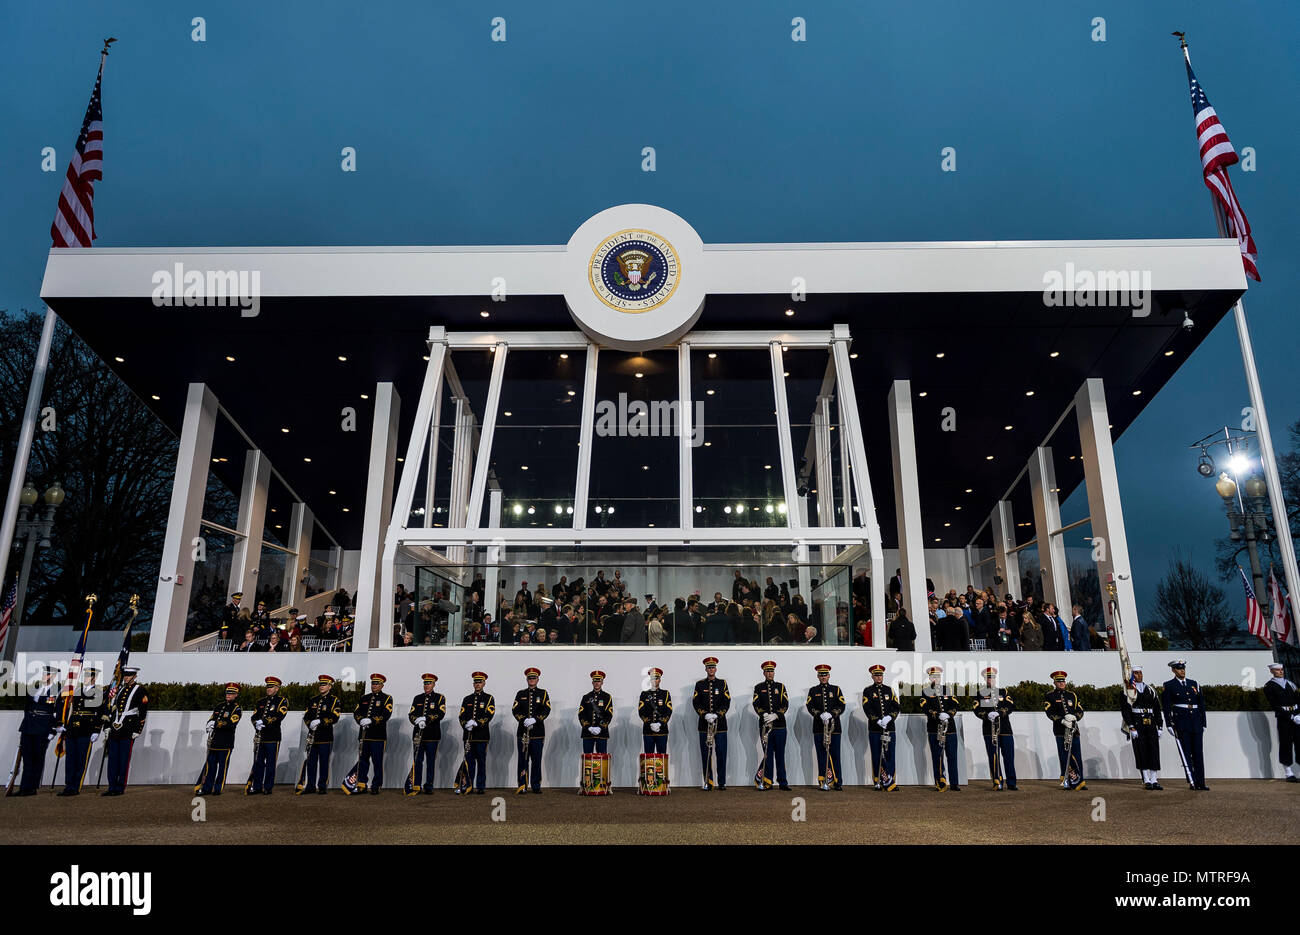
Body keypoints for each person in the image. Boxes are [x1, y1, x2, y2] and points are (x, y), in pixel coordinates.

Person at [13, 665, 60, 796]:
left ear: (54, 676)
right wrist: (26, 722)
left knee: (37, 758)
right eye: (44, 673)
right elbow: (27, 707)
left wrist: (53, 730)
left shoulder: (57, 691)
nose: (45, 676)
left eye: (48, 674)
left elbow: (58, 712)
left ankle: (32, 787)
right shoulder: (35, 688)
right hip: (29, 726)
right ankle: (24, 787)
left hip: (43, 727)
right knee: (26, 758)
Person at [1161, 659, 1208, 791]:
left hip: (1196, 722)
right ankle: (1192, 780)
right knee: (1186, 752)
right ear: (1173, 670)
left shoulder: (1194, 684)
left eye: (1183, 668)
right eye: (1179, 669)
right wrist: (1169, 724)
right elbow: (1166, 707)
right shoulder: (1169, 685)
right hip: (1181, 722)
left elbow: (1201, 705)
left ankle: (1201, 782)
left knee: (1198, 753)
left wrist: (1203, 722)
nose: (1182, 671)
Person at [57, 665, 103, 796]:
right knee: (70, 759)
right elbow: (69, 708)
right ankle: (68, 785)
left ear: (94, 678)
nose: (86, 678)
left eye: (89, 676)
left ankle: (76, 786)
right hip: (73, 729)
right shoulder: (77, 691)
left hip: (86, 729)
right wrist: (64, 724)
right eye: (85, 675)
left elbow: (99, 713)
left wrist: (96, 730)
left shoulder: (98, 693)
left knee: (81, 759)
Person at [102, 666, 148, 796]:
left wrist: (138, 729)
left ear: (135, 676)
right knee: (112, 759)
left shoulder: (140, 690)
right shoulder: (119, 689)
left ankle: (120, 787)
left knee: (123, 760)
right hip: (115, 729)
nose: (126, 678)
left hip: (128, 729)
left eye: (129, 675)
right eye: (125, 675)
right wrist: (107, 726)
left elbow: (143, 711)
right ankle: (111, 786)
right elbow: (112, 708)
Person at [972, 666, 1017, 791]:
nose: (991, 679)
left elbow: (1011, 706)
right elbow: (976, 710)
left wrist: (1001, 713)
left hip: (1005, 729)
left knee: (1009, 756)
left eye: (992, 677)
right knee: (993, 756)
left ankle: (1012, 782)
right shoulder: (980, 694)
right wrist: (987, 715)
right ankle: (998, 781)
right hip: (989, 729)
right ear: (984, 679)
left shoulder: (1003, 692)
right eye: (988, 677)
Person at [1121, 665, 1163, 789]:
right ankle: (1146, 779)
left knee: (1154, 751)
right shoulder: (1127, 691)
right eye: (1136, 674)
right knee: (1141, 751)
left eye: (1140, 673)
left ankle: (1154, 779)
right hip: (1138, 723)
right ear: (1132, 676)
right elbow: (1126, 710)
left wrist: (1160, 726)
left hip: (1150, 723)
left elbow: (1157, 709)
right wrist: (1131, 727)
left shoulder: (1150, 690)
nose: (1139, 675)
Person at [919, 665, 961, 791]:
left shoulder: (947, 689)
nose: (935, 678)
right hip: (934, 728)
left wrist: (949, 714)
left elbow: (955, 703)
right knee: (937, 756)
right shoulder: (925, 691)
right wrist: (937, 715)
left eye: (937, 676)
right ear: (929, 678)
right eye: (933, 676)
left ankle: (954, 783)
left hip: (950, 728)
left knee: (952, 755)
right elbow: (924, 707)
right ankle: (940, 781)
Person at [351, 674, 394, 795]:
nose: (374, 686)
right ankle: (361, 784)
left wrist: (371, 720)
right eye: (373, 683)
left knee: (377, 762)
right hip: (364, 735)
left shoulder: (387, 698)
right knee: (363, 761)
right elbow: (357, 712)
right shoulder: (364, 698)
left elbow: (386, 714)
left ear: (382, 685)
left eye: (376, 684)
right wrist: (360, 720)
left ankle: (376, 785)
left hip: (378, 736)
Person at [805, 664, 846, 791]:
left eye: (825, 675)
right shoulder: (813, 690)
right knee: (821, 755)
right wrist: (818, 714)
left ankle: (837, 781)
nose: (823, 677)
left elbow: (842, 705)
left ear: (829, 676)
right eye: (821, 675)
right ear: (818, 676)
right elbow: (809, 705)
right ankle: (823, 781)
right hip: (819, 727)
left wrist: (832, 713)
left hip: (834, 728)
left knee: (835, 755)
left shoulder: (836, 689)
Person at [197, 682, 241, 796]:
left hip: (226, 743)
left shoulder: (236, 709)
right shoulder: (219, 706)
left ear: (236, 694)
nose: (228, 695)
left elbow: (231, 723)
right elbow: (212, 718)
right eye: (227, 692)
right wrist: (208, 724)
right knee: (210, 766)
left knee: (222, 767)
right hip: (214, 742)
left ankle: (218, 788)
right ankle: (207, 788)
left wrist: (215, 724)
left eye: (231, 693)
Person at [693, 657, 730, 790]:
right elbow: (696, 703)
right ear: (705, 669)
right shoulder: (700, 685)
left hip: (720, 725)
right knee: (706, 754)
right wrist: (705, 714)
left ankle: (722, 782)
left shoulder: (722, 683)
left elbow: (727, 702)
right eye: (709, 667)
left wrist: (718, 714)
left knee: (721, 753)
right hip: (704, 725)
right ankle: (708, 782)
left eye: (713, 667)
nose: (711, 669)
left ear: (716, 669)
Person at [1045, 670, 1086, 790]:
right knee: (1064, 756)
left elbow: (1080, 709)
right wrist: (1062, 720)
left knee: (1077, 756)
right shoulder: (1050, 696)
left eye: (1063, 681)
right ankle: (1067, 780)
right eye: (1059, 681)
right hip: (1060, 730)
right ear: (1054, 682)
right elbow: (1049, 712)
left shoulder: (1072, 695)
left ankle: (1079, 781)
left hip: (1074, 730)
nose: (1061, 683)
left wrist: (1075, 717)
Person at [862, 664, 900, 791]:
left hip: (889, 728)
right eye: (876, 675)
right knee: (877, 754)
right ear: (872, 676)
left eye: (880, 675)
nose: (879, 677)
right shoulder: (867, 691)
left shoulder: (889, 690)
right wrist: (877, 720)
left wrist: (890, 717)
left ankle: (890, 780)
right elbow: (867, 708)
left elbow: (896, 706)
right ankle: (878, 780)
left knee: (890, 754)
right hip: (875, 728)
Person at [248, 675, 289, 795]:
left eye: (271, 687)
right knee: (259, 763)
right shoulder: (260, 701)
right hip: (260, 737)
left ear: (277, 688)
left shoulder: (282, 701)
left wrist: (264, 722)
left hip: (273, 737)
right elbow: (254, 716)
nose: (268, 689)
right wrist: (256, 723)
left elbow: (279, 716)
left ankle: (268, 787)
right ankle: (256, 787)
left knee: (270, 764)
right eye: (267, 686)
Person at [752, 661, 789, 790]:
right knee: (767, 754)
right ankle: (767, 781)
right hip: (765, 727)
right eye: (767, 671)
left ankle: (783, 782)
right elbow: (756, 704)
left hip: (780, 726)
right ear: (764, 673)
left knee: (780, 755)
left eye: (772, 671)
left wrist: (777, 715)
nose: (770, 673)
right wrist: (763, 714)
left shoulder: (781, 686)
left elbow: (785, 704)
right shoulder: (758, 687)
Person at [512, 667, 550, 794]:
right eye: (529, 678)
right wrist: (523, 719)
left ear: (538, 679)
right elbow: (515, 710)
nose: (532, 680)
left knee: (536, 760)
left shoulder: (543, 693)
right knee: (523, 759)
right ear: (526, 679)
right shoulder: (520, 694)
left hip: (538, 733)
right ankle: (522, 784)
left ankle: (536, 785)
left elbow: (546, 709)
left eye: (534, 678)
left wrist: (535, 719)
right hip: (523, 732)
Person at [300, 674, 341, 794]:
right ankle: (310, 786)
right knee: (311, 762)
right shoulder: (313, 699)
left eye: (324, 684)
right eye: (320, 684)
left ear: (330, 686)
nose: (321, 686)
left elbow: (335, 717)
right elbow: (307, 716)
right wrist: (309, 723)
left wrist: (321, 721)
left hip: (325, 736)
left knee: (324, 763)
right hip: (312, 737)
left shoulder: (334, 700)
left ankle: (322, 786)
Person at [407, 673, 446, 795]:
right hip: (418, 734)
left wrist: (426, 719)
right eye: (425, 683)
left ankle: (429, 785)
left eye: (429, 683)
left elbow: (440, 713)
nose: (427, 685)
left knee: (430, 761)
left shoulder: (440, 698)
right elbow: (411, 714)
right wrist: (416, 721)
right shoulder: (417, 698)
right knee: (417, 760)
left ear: (434, 684)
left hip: (432, 735)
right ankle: (416, 785)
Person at [458, 672, 494, 794]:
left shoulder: (489, 698)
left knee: (481, 762)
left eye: (480, 682)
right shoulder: (466, 699)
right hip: (468, 736)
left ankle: (480, 786)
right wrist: (465, 724)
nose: (477, 684)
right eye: (476, 682)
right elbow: (461, 715)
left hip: (482, 736)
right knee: (469, 762)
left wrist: (477, 722)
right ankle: (468, 785)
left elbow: (489, 714)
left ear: (484, 683)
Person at [1264, 662, 1300, 782]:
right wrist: (1290, 717)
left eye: (1281, 669)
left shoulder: (1290, 684)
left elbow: (1298, 700)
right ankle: (1288, 772)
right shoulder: (1269, 686)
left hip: (1296, 716)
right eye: (1278, 670)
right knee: (1286, 744)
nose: (1281, 671)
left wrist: (1298, 714)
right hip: (1284, 719)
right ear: (1272, 671)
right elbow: (1275, 705)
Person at [638, 667, 672, 754]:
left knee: (662, 757)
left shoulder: (665, 694)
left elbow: (668, 710)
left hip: (662, 731)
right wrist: (650, 723)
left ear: (659, 680)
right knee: (648, 758)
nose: (654, 680)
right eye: (652, 678)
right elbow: (641, 711)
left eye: (656, 678)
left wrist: (660, 723)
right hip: (648, 731)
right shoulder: (644, 694)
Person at [579, 671, 614, 753]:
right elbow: (581, 713)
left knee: (602, 760)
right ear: (592, 682)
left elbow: (609, 714)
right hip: (587, 732)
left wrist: (600, 727)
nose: (597, 683)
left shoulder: (607, 697)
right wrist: (588, 727)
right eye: (595, 681)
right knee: (587, 760)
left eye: (599, 681)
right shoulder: (586, 697)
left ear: (602, 682)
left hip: (602, 732)